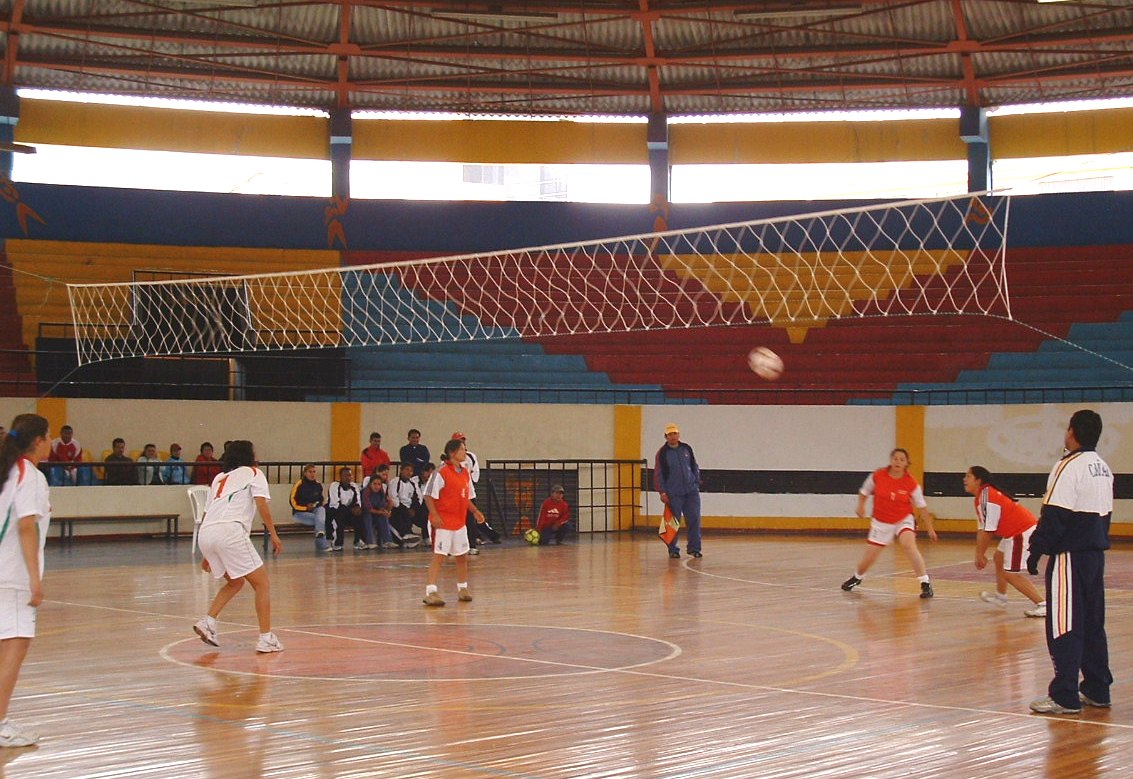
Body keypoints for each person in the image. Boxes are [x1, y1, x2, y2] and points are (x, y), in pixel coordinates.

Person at [1027, 410, 1114, 715]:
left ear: (1073, 432)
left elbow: (1055, 515)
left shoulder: (1069, 466)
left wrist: (1036, 550)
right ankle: (1097, 688)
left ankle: (1064, 695)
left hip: (1069, 557)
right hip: (1095, 556)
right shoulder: (1103, 468)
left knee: (1064, 624)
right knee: (1092, 624)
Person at [193, 439, 284, 654]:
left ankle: (208, 621)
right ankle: (266, 638)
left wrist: (208, 552)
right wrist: (274, 534)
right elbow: (262, 505)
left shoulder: (219, 478)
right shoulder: (254, 473)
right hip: (230, 532)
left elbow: (208, 512)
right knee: (262, 584)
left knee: (235, 582)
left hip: (206, 533)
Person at [0, 414, 51, 747]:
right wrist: (35, 579)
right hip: (12, 575)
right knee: (15, 649)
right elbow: (26, 525)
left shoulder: (6, 472)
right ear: (38, 441)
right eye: (47, 437)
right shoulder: (28, 474)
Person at [841, 447, 937, 598]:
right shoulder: (878, 475)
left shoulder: (911, 483)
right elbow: (864, 492)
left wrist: (930, 529)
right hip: (881, 521)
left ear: (906, 463)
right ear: (891, 461)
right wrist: (860, 506)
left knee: (908, 545)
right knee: (870, 557)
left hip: (903, 519)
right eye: (895, 458)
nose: (898, 461)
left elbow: (922, 506)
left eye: (902, 459)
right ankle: (857, 577)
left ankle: (925, 583)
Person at [964, 465, 1046, 618]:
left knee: (1011, 574)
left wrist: (980, 554)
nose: (964, 479)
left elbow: (989, 531)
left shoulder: (987, 497)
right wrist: (978, 553)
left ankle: (1043, 604)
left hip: (1021, 532)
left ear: (978, 480)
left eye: (968, 476)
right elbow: (982, 529)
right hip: (1013, 533)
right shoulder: (982, 497)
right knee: (999, 557)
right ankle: (1001, 597)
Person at [422, 438, 486, 607]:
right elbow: (428, 495)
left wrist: (475, 511)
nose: (465, 452)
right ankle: (431, 591)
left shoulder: (465, 473)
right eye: (462, 449)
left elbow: (467, 497)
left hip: (459, 523)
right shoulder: (441, 472)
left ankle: (463, 588)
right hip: (442, 522)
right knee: (440, 557)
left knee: (461, 556)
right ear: (452, 453)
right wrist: (434, 515)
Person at [654, 423, 702, 559]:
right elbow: (659, 474)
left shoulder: (686, 449)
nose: (673, 436)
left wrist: (696, 481)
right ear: (666, 436)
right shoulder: (662, 454)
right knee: (673, 522)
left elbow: (694, 465)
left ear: (678, 435)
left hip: (691, 491)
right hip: (673, 493)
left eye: (675, 434)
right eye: (670, 434)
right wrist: (662, 492)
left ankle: (694, 548)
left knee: (694, 519)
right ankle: (673, 549)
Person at [451, 432, 500, 551]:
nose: (461, 443)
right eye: (458, 441)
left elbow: (475, 474)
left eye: (463, 440)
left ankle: (472, 545)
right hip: (454, 495)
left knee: (470, 520)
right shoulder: (449, 459)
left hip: (468, 494)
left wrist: (469, 483)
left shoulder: (470, 456)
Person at [289, 464, 330, 551]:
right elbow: (292, 501)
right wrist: (306, 508)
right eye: (310, 472)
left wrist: (315, 505)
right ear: (305, 473)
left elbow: (321, 500)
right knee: (321, 520)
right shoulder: (299, 484)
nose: (312, 474)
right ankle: (321, 542)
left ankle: (320, 534)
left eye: (314, 472)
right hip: (300, 514)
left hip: (315, 511)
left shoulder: (318, 485)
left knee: (321, 510)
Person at [326, 466, 363, 552]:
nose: (348, 478)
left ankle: (358, 541)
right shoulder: (334, 486)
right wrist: (351, 510)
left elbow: (357, 501)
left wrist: (357, 508)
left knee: (360, 516)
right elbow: (335, 504)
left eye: (350, 475)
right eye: (345, 475)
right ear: (340, 477)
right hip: (334, 512)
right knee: (339, 517)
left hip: (348, 512)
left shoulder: (354, 486)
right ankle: (337, 543)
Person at [390, 462, 424, 548]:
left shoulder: (412, 484)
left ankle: (426, 537)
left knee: (425, 514)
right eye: (407, 470)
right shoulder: (395, 482)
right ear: (401, 470)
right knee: (401, 514)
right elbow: (394, 498)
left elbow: (418, 498)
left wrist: (413, 508)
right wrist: (406, 509)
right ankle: (406, 535)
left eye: (411, 471)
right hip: (398, 509)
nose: (409, 473)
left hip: (410, 509)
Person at [362, 464, 396, 549]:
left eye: (379, 484)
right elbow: (368, 508)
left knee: (383, 517)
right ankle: (369, 542)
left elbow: (382, 505)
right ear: (370, 484)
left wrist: (386, 512)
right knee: (368, 517)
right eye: (374, 484)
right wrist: (381, 512)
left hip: (376, 512)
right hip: (366, 513)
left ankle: (387, 541)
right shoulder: (366, 492)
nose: (377, 486)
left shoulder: (381, 492)